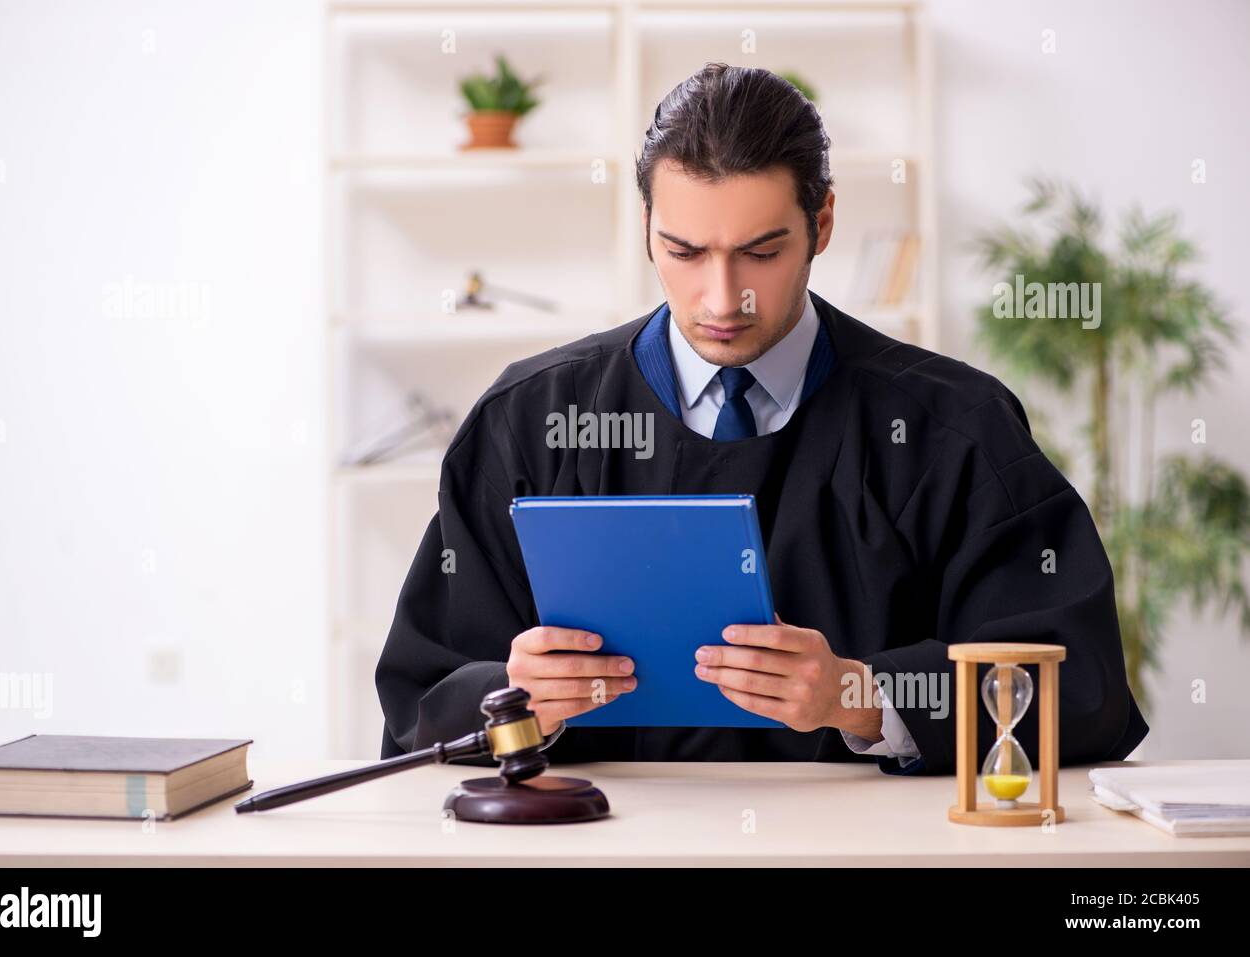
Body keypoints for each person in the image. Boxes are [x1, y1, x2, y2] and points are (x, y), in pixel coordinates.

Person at [375, 62, 1148, 774]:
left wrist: (865, 693)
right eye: (685, 249)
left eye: (761, 252)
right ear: (646, 226)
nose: (721, 298)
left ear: (824, 224)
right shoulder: (530, 421)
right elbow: (422, 696)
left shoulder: (956, 428)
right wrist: (515, 700)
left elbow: (1079, 685)